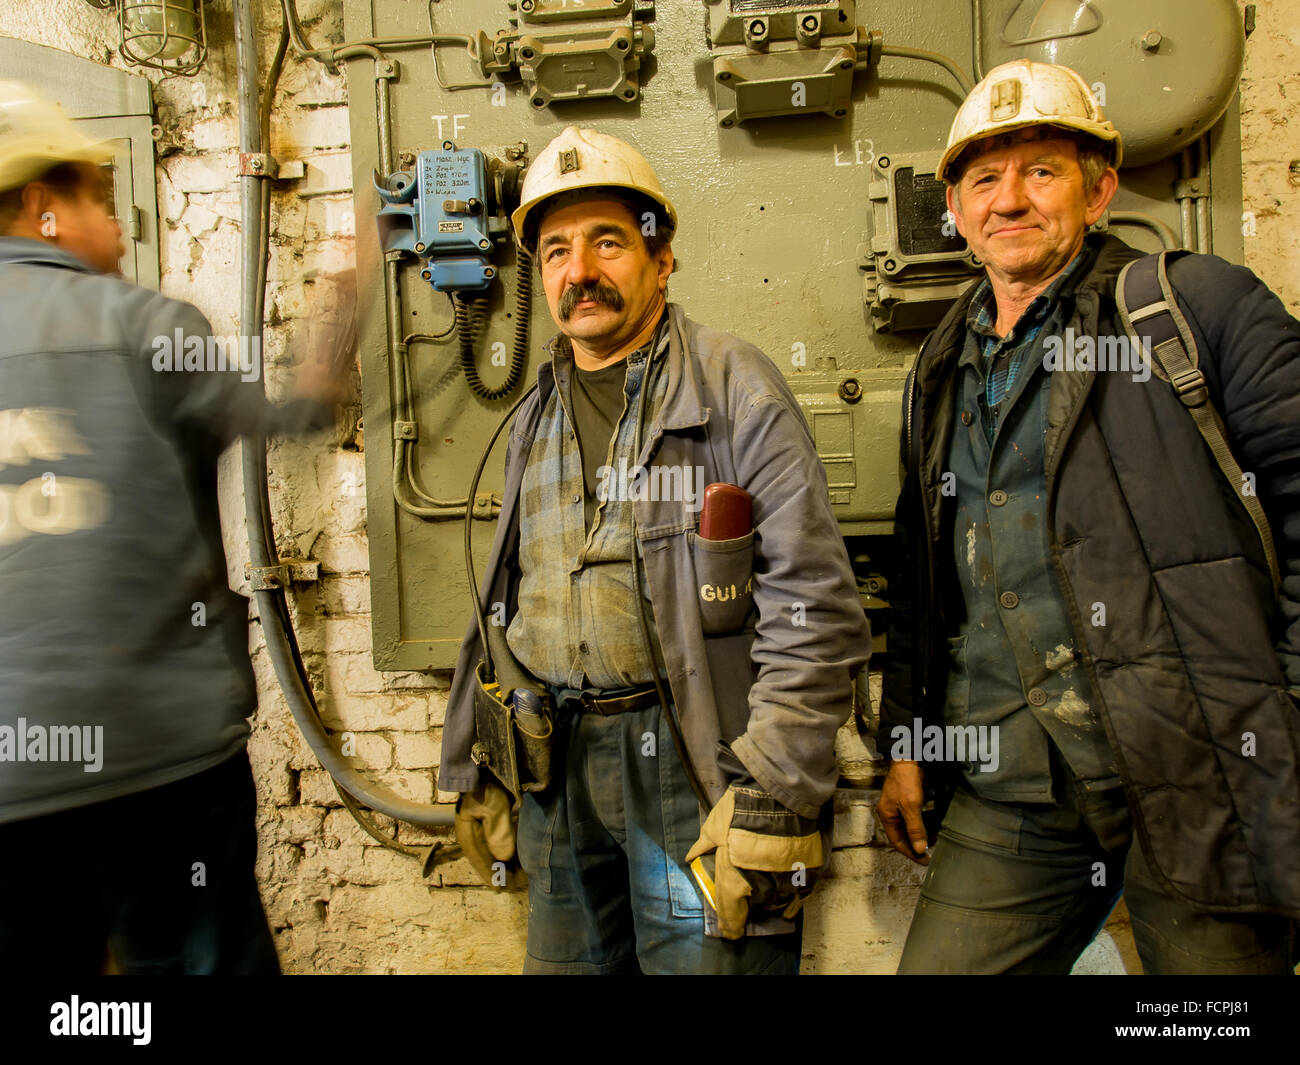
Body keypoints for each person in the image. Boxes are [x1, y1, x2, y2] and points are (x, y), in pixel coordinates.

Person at [876, 59, 1300, 974]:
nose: (1010, 200)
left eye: (1041, 171)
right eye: (984, 178)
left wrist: (1289, 712)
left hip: (1199, 774)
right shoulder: (939, 369)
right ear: (954, 209)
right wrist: (907, 742)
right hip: (1012, 780)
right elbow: (921, 583)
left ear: (1099, 188)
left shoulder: (1193, 308)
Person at [439, 126, 871, 974]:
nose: (579, 270)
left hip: (690, 758)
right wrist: (476, 761)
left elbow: (814, 606)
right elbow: (503, 599)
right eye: (556, 250)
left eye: (608, 241)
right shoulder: (535, 414)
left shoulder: (734, 385)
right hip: (558, 771)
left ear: (661, 258)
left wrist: (771, 787)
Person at [0, 81, 351, 974]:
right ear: (41, 207)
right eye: (99, 205)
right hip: (161, 773)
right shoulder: (145, 326)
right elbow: (297, 415)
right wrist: (342, 305)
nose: (119, 235)